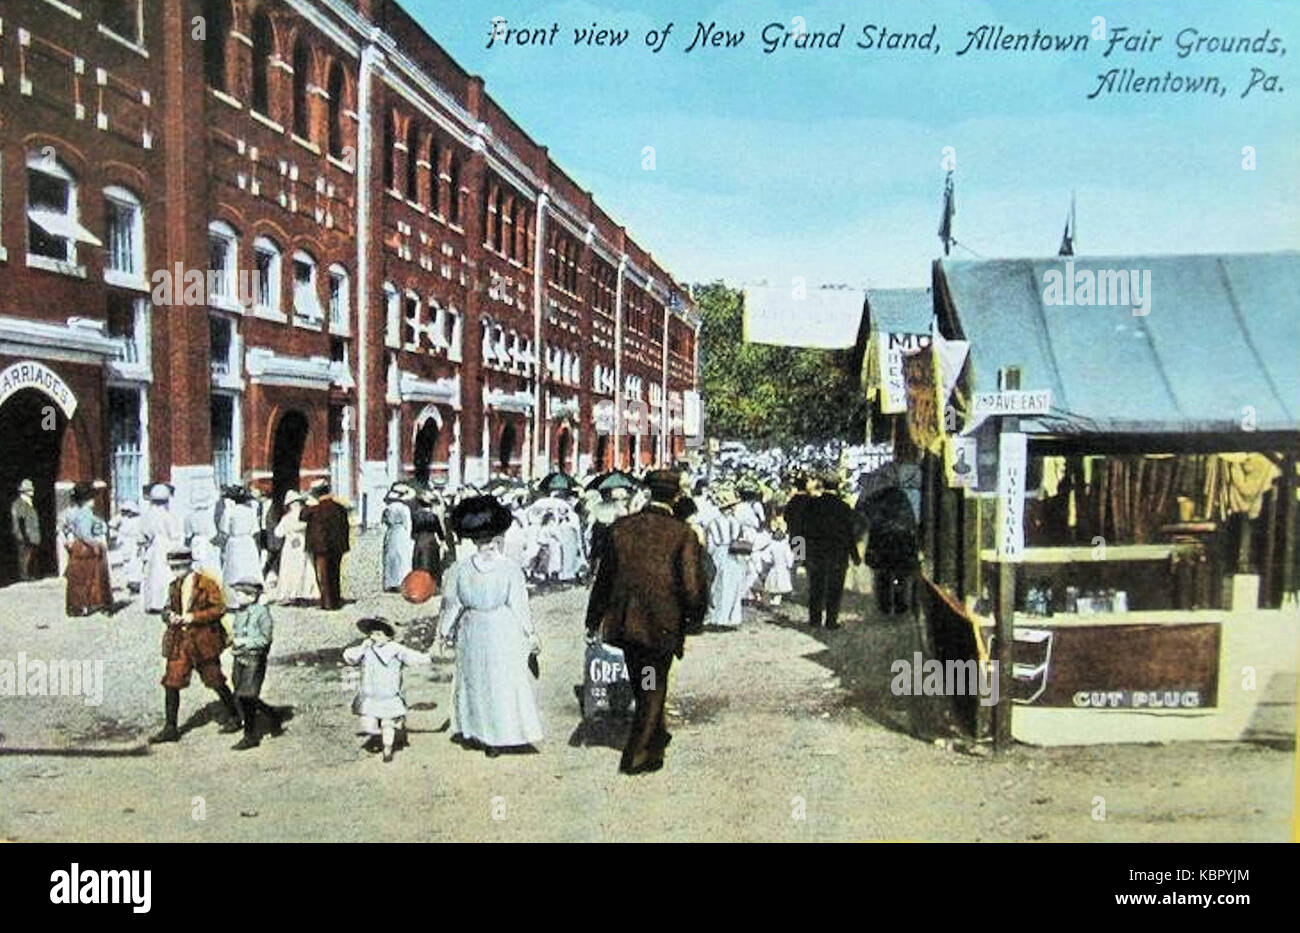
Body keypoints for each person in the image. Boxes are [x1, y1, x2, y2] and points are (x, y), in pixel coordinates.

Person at [585, 470, 708, 775]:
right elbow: (692, 586)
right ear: (676, 496)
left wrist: (593, 619)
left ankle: (656, 733)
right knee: (653, 683)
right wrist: (695, 617)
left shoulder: (621, 528)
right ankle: (637, 753)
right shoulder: (682, 534)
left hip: (626, 620)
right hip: (661, 623)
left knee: (642, 678)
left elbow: (604, 580)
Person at [437, 495, 544, 756]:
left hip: (497, 629)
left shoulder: (506, 569)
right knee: (477, 681)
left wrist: (530, 634)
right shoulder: (462, 570)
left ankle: (498, 734)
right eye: (482, 540)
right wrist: (442, 634)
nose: (487, 545)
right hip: (476, 629)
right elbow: (452, 604)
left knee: (498, 680)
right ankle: (481, 732)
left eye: (490, 539)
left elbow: (519, 604)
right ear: (475, 541)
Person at [150, 548, 242, 743]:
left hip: (203, 640)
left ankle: (235, 715)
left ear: (189, 565)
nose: (176, 571)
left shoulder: (206, 583)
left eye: (179, 567)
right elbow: (166, 609)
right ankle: (170, 728)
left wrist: (193, 617)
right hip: (181, 641)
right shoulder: (173, 586)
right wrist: (169, 617)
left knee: (214, 679)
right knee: (171, 681)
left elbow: (219, 608)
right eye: (173, 568)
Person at [345, 617, 432, 763]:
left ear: (388, 636)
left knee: (387, 723)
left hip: (389, 695)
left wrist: (428, 657)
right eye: (372, 634)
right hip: (371, 695)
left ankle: (388, 749)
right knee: (368, 725)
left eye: (379, 634)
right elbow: (349, 657)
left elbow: (413, 657)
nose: (374, 637)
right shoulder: (367, 648)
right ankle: (386, 731)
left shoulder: (396, 649)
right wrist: (362, 648)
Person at [225, 580, 284, 750]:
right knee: (240, 693)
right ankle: (272, 714)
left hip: (254, 659)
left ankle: (250, 736)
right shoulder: (240, 612)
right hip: (239, 658)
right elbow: (236, 631)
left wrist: (243, 641)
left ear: (251, 596)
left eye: (239, 594)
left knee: (247, 695)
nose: (236, 597)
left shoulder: (263, 614)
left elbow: (265, 639)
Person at [801, 474, 861, 629]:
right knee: (835, 588)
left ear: (822, 485)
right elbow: (850, 534)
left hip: (816, 553)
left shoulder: (811, 505)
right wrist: (855, 556)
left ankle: (814, 620)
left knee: (816, 586)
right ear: (838, 486)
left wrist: (801, 554)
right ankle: (831, 621)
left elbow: (802, 531)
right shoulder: (843, 507)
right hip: (838, 554)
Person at [64, 483, 113, 616]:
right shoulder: (86, 513)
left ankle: (78, 605)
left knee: (78, 578)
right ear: (87, 499)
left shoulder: (72, 512)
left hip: (77, 547)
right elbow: (85, 534)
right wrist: (95, 545)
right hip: (86, 547)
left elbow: (67, 528)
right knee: (90, 578)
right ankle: (87, 604)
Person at [301, 481, 350, 610]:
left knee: (323, 576)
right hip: (337, 546)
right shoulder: (340, 507)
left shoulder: (315, 509)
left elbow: (302, 516)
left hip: (320, 546)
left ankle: (327, 602)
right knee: (335, 573)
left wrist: (308, 502)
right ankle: (335, 600)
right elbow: (345, 527)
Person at [703, 487, 748, 629]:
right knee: (733, 587)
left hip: (719, 554)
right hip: (734, 553)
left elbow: (710, 545)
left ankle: (718, 617)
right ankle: (731, 618)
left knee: (719, 587)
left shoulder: (713, 523)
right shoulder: (737, 523)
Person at [140, 484, 183, 613]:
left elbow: (144, 533)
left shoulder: (148, 515)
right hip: (166, 545)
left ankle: (153, 602)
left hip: (153, 547)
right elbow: (175, 534)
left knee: (152, 575)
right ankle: (166, 601)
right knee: (166, 575)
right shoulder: (168, 516)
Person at [273, 490, 319, 604]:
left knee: (303, 568)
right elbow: (278, 532)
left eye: (298, 503)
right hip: (292, 545)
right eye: (295, 503)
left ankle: (304, 593)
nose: (297, 506)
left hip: (300, 545)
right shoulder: (288, 518)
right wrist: (291, 530)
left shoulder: (303, 516)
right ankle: (293, 593)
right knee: (292, 569)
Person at [219, 487, 263, 588]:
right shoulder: (251, 512)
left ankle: (233, 588)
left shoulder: (229, 511)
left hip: (235, 541)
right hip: (248, 541)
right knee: (249, 566)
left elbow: (224, 528)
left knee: (233, 568)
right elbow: (255, 529)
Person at [380, 484, 415, 592]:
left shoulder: (387, 508)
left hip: (391, 532)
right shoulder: (404, 509)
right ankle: (402, 581)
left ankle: (390, 582)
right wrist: (410, 536)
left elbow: (383, 522)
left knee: (390, 557)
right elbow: (408, 524)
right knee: (402, 557)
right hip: (401, 533)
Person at [410, 489, 446, 584]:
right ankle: (433, 583)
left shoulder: (416, 516)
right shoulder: (433, 516)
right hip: (431, 539)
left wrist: (415, 537)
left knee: (419, 562)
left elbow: (413, 531)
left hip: (420, 540)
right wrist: (442, 540)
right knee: (432, 562)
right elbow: (439, 531)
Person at [108, 500, 144, 593]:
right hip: (125, 543)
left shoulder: (139, 519)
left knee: (135, 564)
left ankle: (135, 584)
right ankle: (130, 583)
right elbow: (111, 524)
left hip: (134, 543)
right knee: (126, 563)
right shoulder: (122, 518)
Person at [10, 477, 41, 581]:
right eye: (30, 490)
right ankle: (24, 575)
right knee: (24, 556)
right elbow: (19, 522)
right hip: (25, 536)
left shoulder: (29, 503)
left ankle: (30, 573)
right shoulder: (18, 504)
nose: (32, 491)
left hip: (32, 535)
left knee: (31, 556)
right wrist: (21, 535)